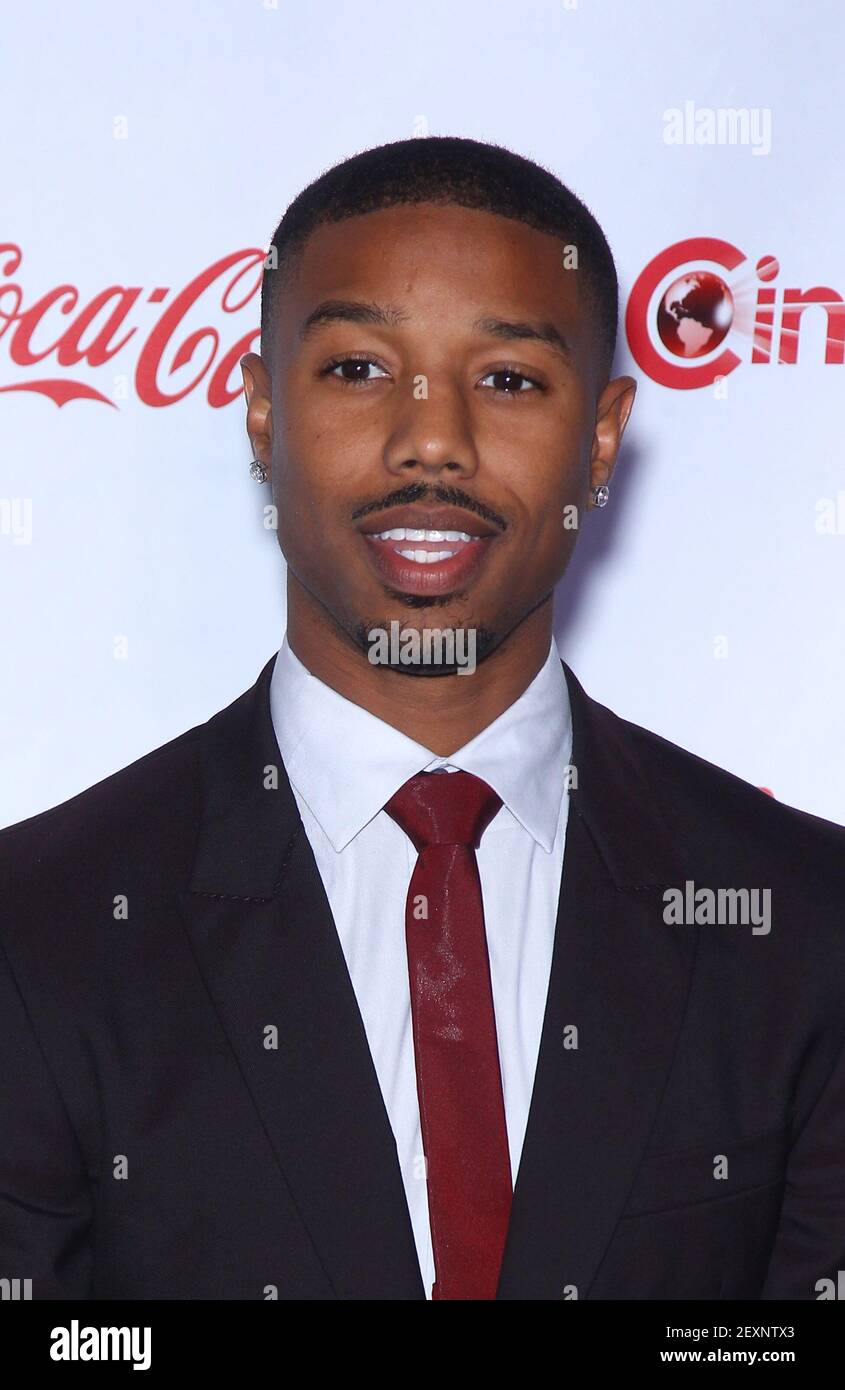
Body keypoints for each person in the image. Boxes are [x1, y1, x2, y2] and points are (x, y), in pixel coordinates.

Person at [1, 136, 843, 1301]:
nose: (431, 439)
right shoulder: (37, 929)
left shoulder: (804, 923)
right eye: (355, 369)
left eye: (506, 378)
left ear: (598, 440)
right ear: (260, 415)